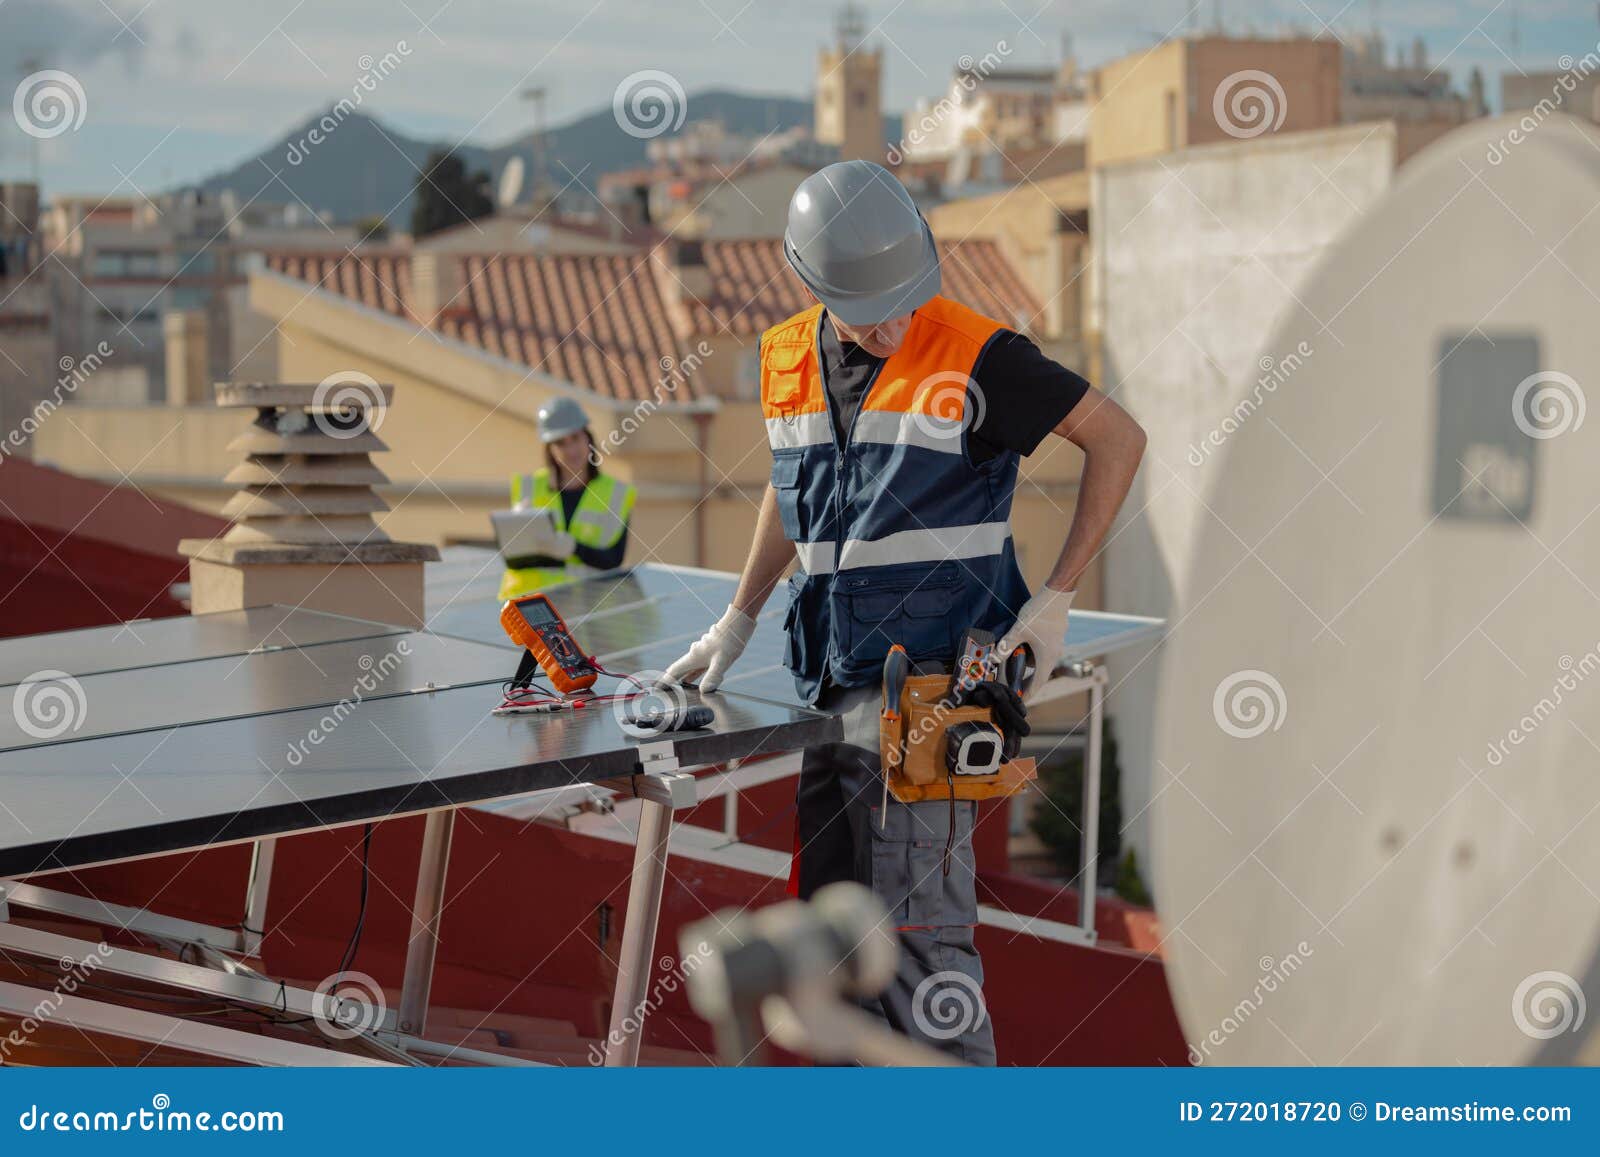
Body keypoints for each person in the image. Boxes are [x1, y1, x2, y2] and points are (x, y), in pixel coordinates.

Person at [663, 160, 1146, 1064]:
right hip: (827, 697)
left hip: (927, 705)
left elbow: (1120, 439)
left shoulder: (979, 355)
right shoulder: (783, 359)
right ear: (812, 287)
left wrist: (1058, 596)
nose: (892, 324)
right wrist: (737, 616)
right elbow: (790, 494)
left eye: (905, 300)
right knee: (836, 946)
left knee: (921, 958)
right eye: (867, 307)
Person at [498, 398, 636, 600]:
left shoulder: (616, 493)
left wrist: (575, 548)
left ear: (588, 438)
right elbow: (514, 559)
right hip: (532, 607)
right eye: (561, 442)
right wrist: (515, 532)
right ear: (550, 449)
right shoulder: (529, 487)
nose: (571, 450)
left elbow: (613, 560)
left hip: (587, 608)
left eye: (575, 438)